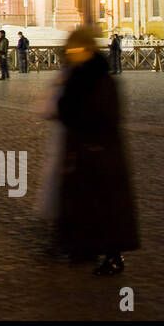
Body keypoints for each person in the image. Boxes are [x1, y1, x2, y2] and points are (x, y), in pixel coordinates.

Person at [44, 26, 140, 276]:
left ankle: (113, 256)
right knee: (83, 204)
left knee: (105, 208)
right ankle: (82, 248)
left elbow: (104, 115)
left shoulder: (100, 78)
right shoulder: (79, 75)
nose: (71, 54)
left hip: (100, 152)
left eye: (75, 49)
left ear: (86, 50)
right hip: (84, 150)